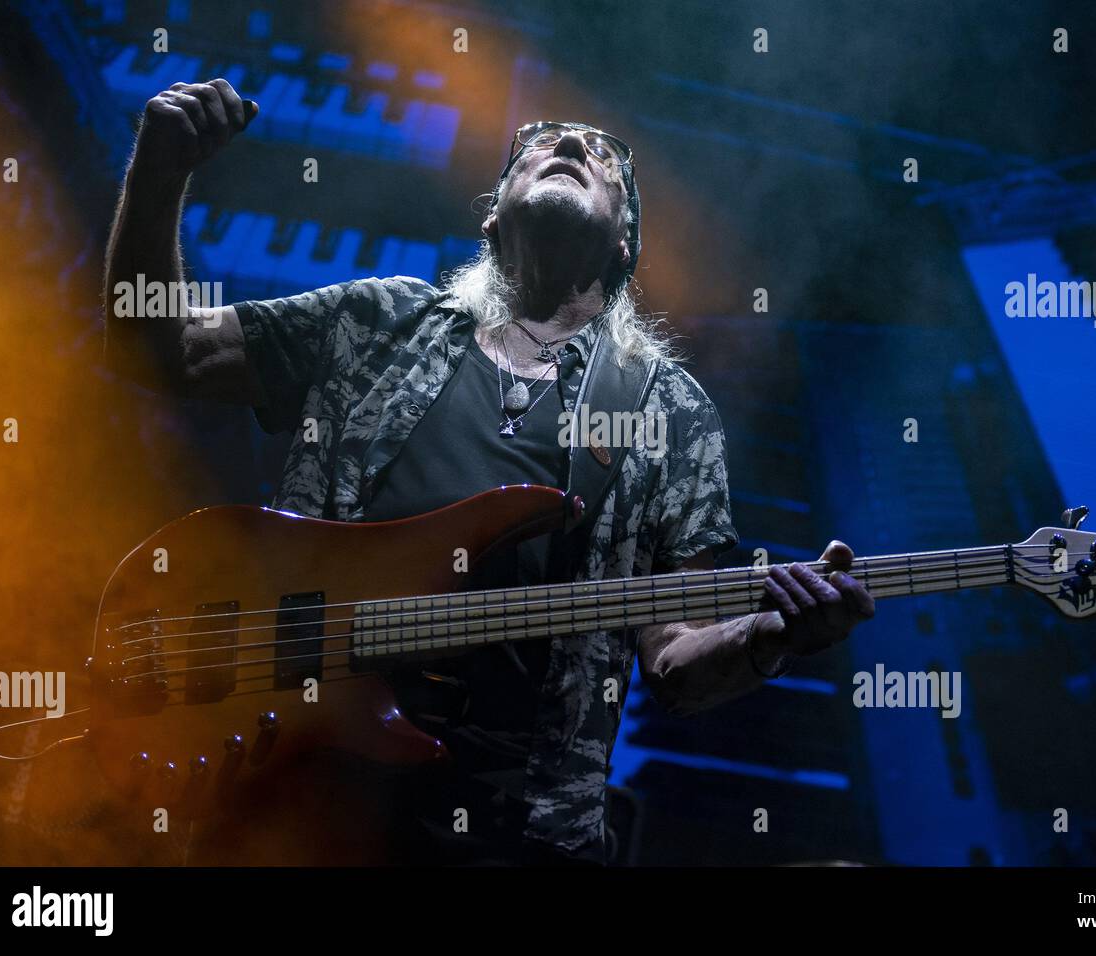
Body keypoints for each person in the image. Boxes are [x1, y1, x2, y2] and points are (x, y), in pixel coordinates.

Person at [103, 78, 875, 865]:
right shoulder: (379, 322)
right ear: (493, 214)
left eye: (606, 158)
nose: (574, 146)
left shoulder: (668, 410)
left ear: (625, 247)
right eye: (540, 143)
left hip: (518, 836)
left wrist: (771, 632)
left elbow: (675, 661)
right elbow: (158, 347)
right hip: (291, 796)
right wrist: (161, 172)